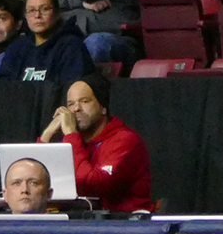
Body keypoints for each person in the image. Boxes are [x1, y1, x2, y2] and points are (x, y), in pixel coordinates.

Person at [37, 75, 153, 213]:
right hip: (80, 220)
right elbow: (35, 179)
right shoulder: (74, 142)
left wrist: (71, 135)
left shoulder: (125, 140)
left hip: (125, 221)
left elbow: (90, 185)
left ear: (103, 108)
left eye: (84, 101)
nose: (76, 109)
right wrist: (47, 134)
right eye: (71, 104)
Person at [0, 0, 96, 84]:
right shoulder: (16, 48)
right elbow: (3, 88)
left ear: (57, 13)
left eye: (44, 9)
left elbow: (72, 88)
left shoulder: (72, 46)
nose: (37, 15)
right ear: (25, 16)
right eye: (31, 10)